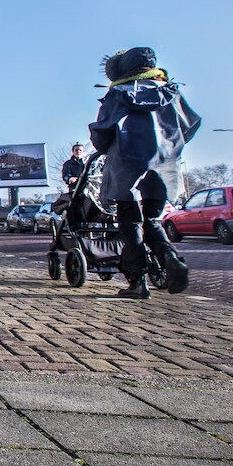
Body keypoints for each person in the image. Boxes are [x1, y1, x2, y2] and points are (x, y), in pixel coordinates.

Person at [88, 47, 200, 299]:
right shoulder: (171, 93)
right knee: (152, 220)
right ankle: (170, 258)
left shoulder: (118, 94)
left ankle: (137, 282)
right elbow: (190, 124)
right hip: (164, 168)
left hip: (128, 168)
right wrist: (169, 146)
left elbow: (102, 133)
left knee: (131, 225)